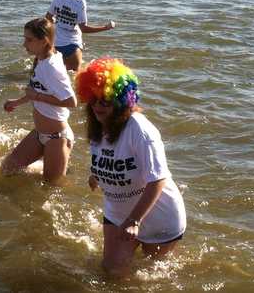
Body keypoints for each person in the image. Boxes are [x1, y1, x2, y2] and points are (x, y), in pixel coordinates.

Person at [76, 57, 186, 278]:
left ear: (121, 102)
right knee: (112, 272)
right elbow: (111, 156)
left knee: (150, 277)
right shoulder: (99, 126)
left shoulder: (141, 131)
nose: (98, 107)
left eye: (105, 101)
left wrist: (135, 221)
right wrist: (97, 174)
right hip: (118, 212)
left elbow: (158, 180)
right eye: (94, 100)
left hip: (159, 217)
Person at [2, 17, 77, 184]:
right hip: (40, 133)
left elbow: (71, 101)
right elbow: (36, 89)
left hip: (57, 137)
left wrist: (36, 97)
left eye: (29, 40)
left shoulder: (52, 67)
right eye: (24, 39)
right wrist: (17, 102)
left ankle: (61, 162)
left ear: (44, 41)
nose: (24, 44)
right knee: (7, 169)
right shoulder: (40, 59)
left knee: (50, 187)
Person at [45, 0, 115, 72]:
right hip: (73, 46)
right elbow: (84, 28)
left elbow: (48, 17)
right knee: (75, 78)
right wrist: (106, 27)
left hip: (56, 44)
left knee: (55, 75)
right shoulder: (80, 2)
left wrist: (57, 20)